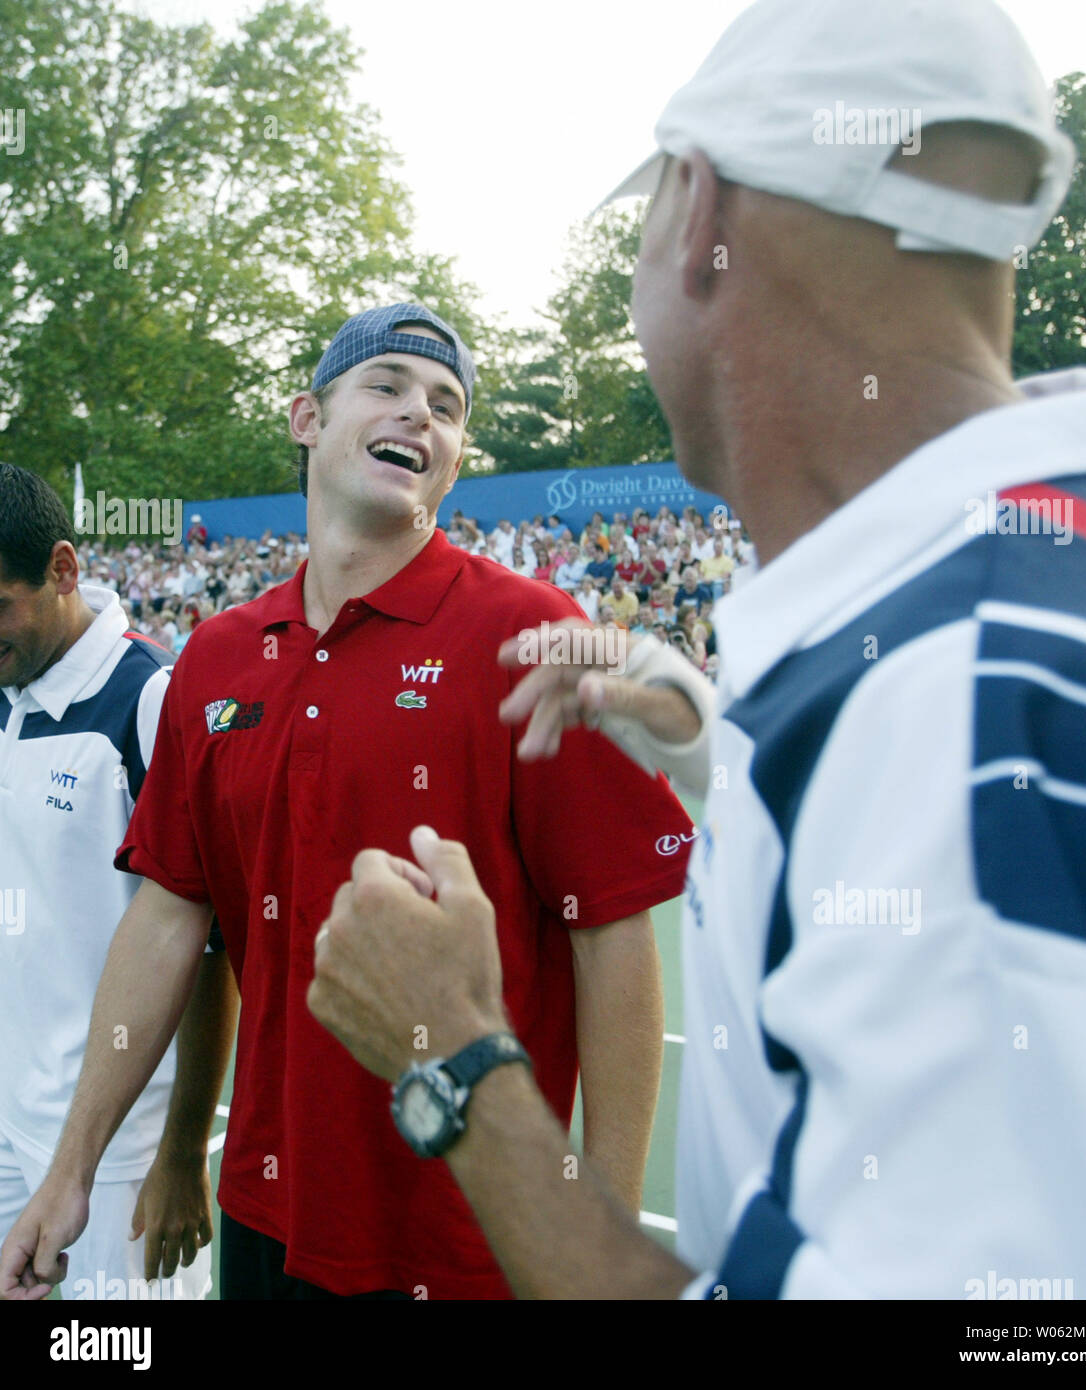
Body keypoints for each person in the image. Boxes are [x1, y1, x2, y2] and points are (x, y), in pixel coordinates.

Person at [303, 0, 1086, 1299]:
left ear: (696, 216)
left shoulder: (962, 712)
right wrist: (709, 740)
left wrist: (450, 1055)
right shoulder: (1031, 579)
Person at [0, 303, 693, 1302]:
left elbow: (612, 935)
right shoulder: (218, 662)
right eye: (389, 386)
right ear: (305, 418)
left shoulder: (532, 633)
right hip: (269, 1218)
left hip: (479, 1235)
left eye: (447, 406)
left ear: (454, 460)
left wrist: (607, 1240)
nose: (420, 413)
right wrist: (71, 1172)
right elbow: (165, 920)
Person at [0, 464, 236, 1302]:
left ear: (63, 571)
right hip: (10, 1120)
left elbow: (211, 950)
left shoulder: (153, 699)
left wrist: (179, 1157)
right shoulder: (9, 682)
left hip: (120, 1157)